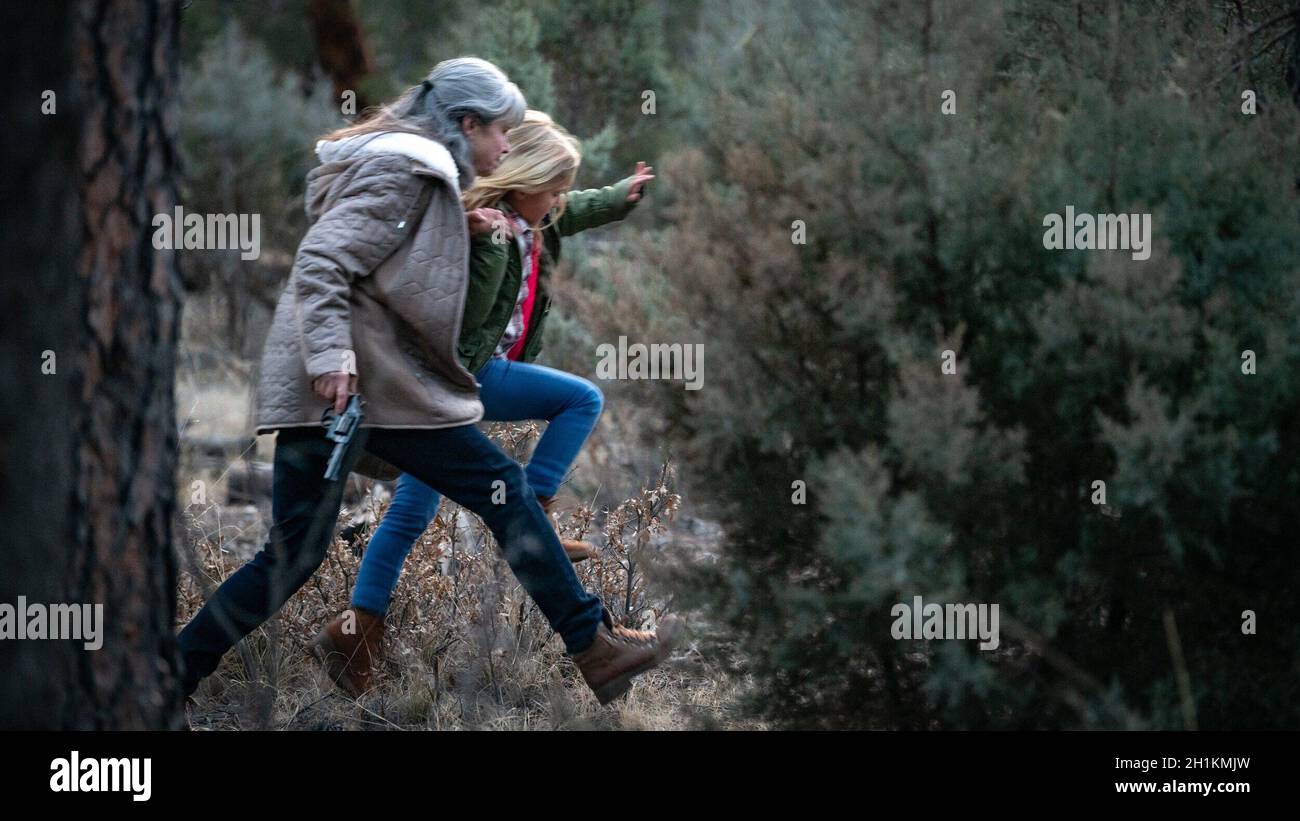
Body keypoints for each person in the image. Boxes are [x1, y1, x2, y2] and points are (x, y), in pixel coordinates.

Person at [176, 58, 679, 708]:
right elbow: (325, 258)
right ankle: (595, 645)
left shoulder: (419, 174)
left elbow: (377, 245)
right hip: (363, 388)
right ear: (466, 123)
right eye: (501, 131)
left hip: (353, 393)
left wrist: (454, 226)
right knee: (507, 492)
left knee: (291, 557)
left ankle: (167, 674)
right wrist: (332, 355)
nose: (505, 146)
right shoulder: (408, 164)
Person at [312, 111, 657, 696]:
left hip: (450, 396)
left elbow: (581, 206)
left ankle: (353, 633)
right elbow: (412, 242)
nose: (559, 202)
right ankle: (538, 511)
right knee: (582, 398)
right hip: (465, 378)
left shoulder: (537, 220)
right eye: (553, 189)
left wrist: (622, 197)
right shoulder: (478, 221)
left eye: (562, 194)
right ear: (524, 178)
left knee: (407, 516)